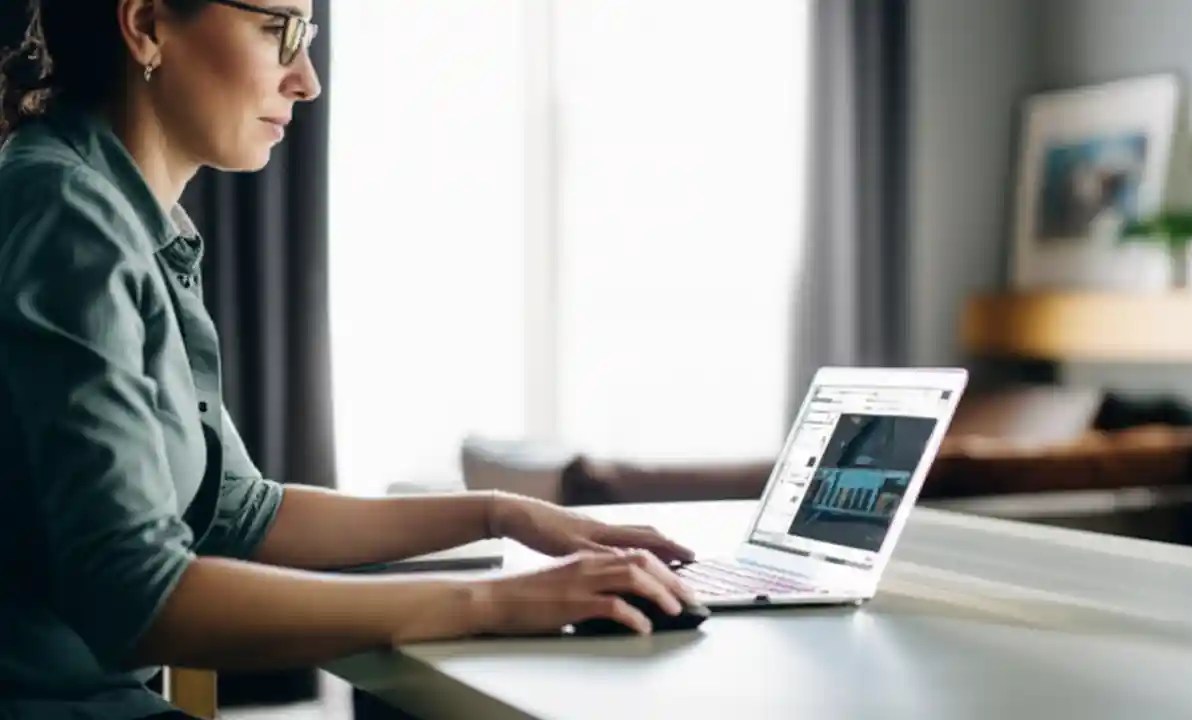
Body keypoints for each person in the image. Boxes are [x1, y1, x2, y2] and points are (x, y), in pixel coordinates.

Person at [0, 2, 695, 718]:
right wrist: (497, 600)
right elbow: (135, 596)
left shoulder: (130, 217)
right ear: (147, 24)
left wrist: (503, 514)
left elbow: (237, 513)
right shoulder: (65, 210)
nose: (306, 79)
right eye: (280, 31)